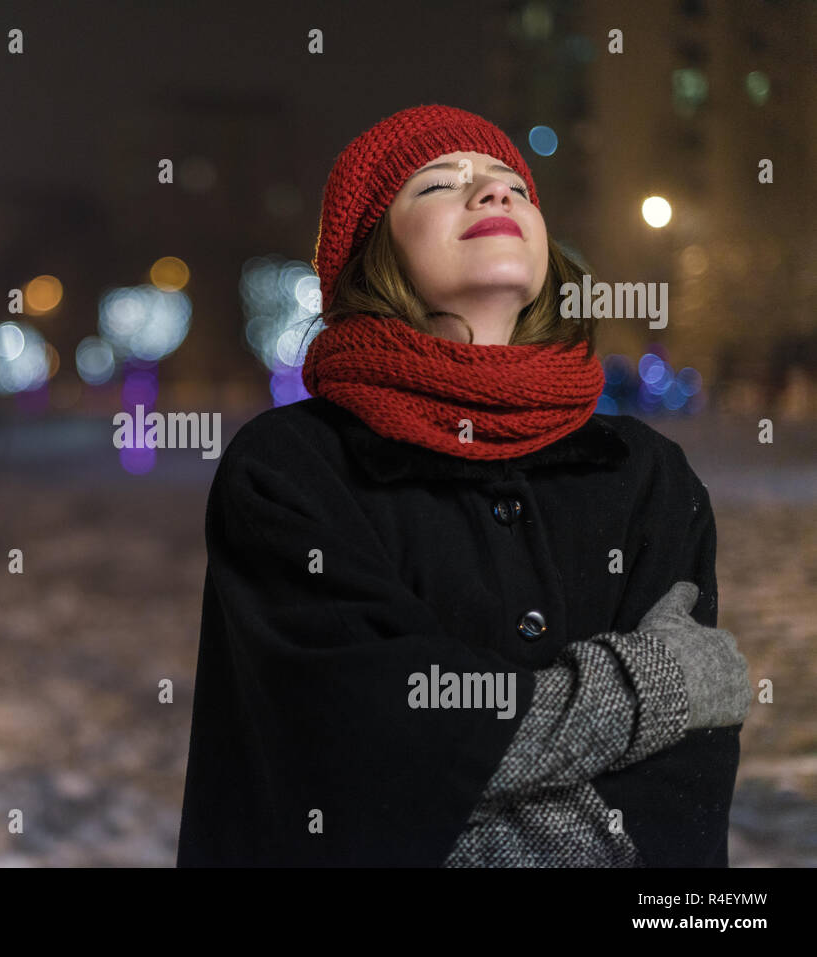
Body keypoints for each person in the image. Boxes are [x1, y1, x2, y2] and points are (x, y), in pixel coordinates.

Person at [176, 104, 751, 867]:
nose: (494, 194)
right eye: (439, 185)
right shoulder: (292, 469)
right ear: (370, 251)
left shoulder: (645, 474)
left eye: (513, 183)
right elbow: (365, 745)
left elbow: (685, 785)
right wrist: (656, 683)